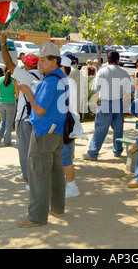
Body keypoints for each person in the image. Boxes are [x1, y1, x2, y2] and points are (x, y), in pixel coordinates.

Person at [16, 42, 68, 228]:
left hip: (44, 133)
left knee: (38, 174)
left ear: (53, 61)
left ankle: (36, 217)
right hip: (57, 132)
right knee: (55, 172)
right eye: (39, 59)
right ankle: (58, 208)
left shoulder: (50, 81)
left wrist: (28, 92)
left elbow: (38, 109)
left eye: (43, 59)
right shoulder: (62, 77)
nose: (39, 63)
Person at [0, 33, 43, 184]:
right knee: (37, 149)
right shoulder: (43, 76)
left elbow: (9, 63)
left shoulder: (26, 76)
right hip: (39, 116)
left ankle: (27, 175)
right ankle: (36, 173)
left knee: (24, 148)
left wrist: (3, 44)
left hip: (25, 117)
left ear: (28, 65)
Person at [83, 50, 132, 161]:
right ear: (118, 60)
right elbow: (128, 91)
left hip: (104, 102)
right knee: (118, 128)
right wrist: (122, 101)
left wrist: (96, 101)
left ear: (107, 59)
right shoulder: (123, 72)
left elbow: (95, 89)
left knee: (100, 128)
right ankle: (117, 150)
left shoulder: (102, 71)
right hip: (117, 102)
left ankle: (93, 152)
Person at [59, 56, 81, 198]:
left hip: (65, 122)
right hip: (68, 120)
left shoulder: (65, 82)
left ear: (62, 68)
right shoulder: (69, 81)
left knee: (65, 156)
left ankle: (72, 186)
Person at [0, 67, 16, 147]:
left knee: (3, 121)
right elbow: (17, 93)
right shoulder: (14, 81)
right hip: (11, 102)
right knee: (9, 123)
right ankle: (7, 141)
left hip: (1, 102)